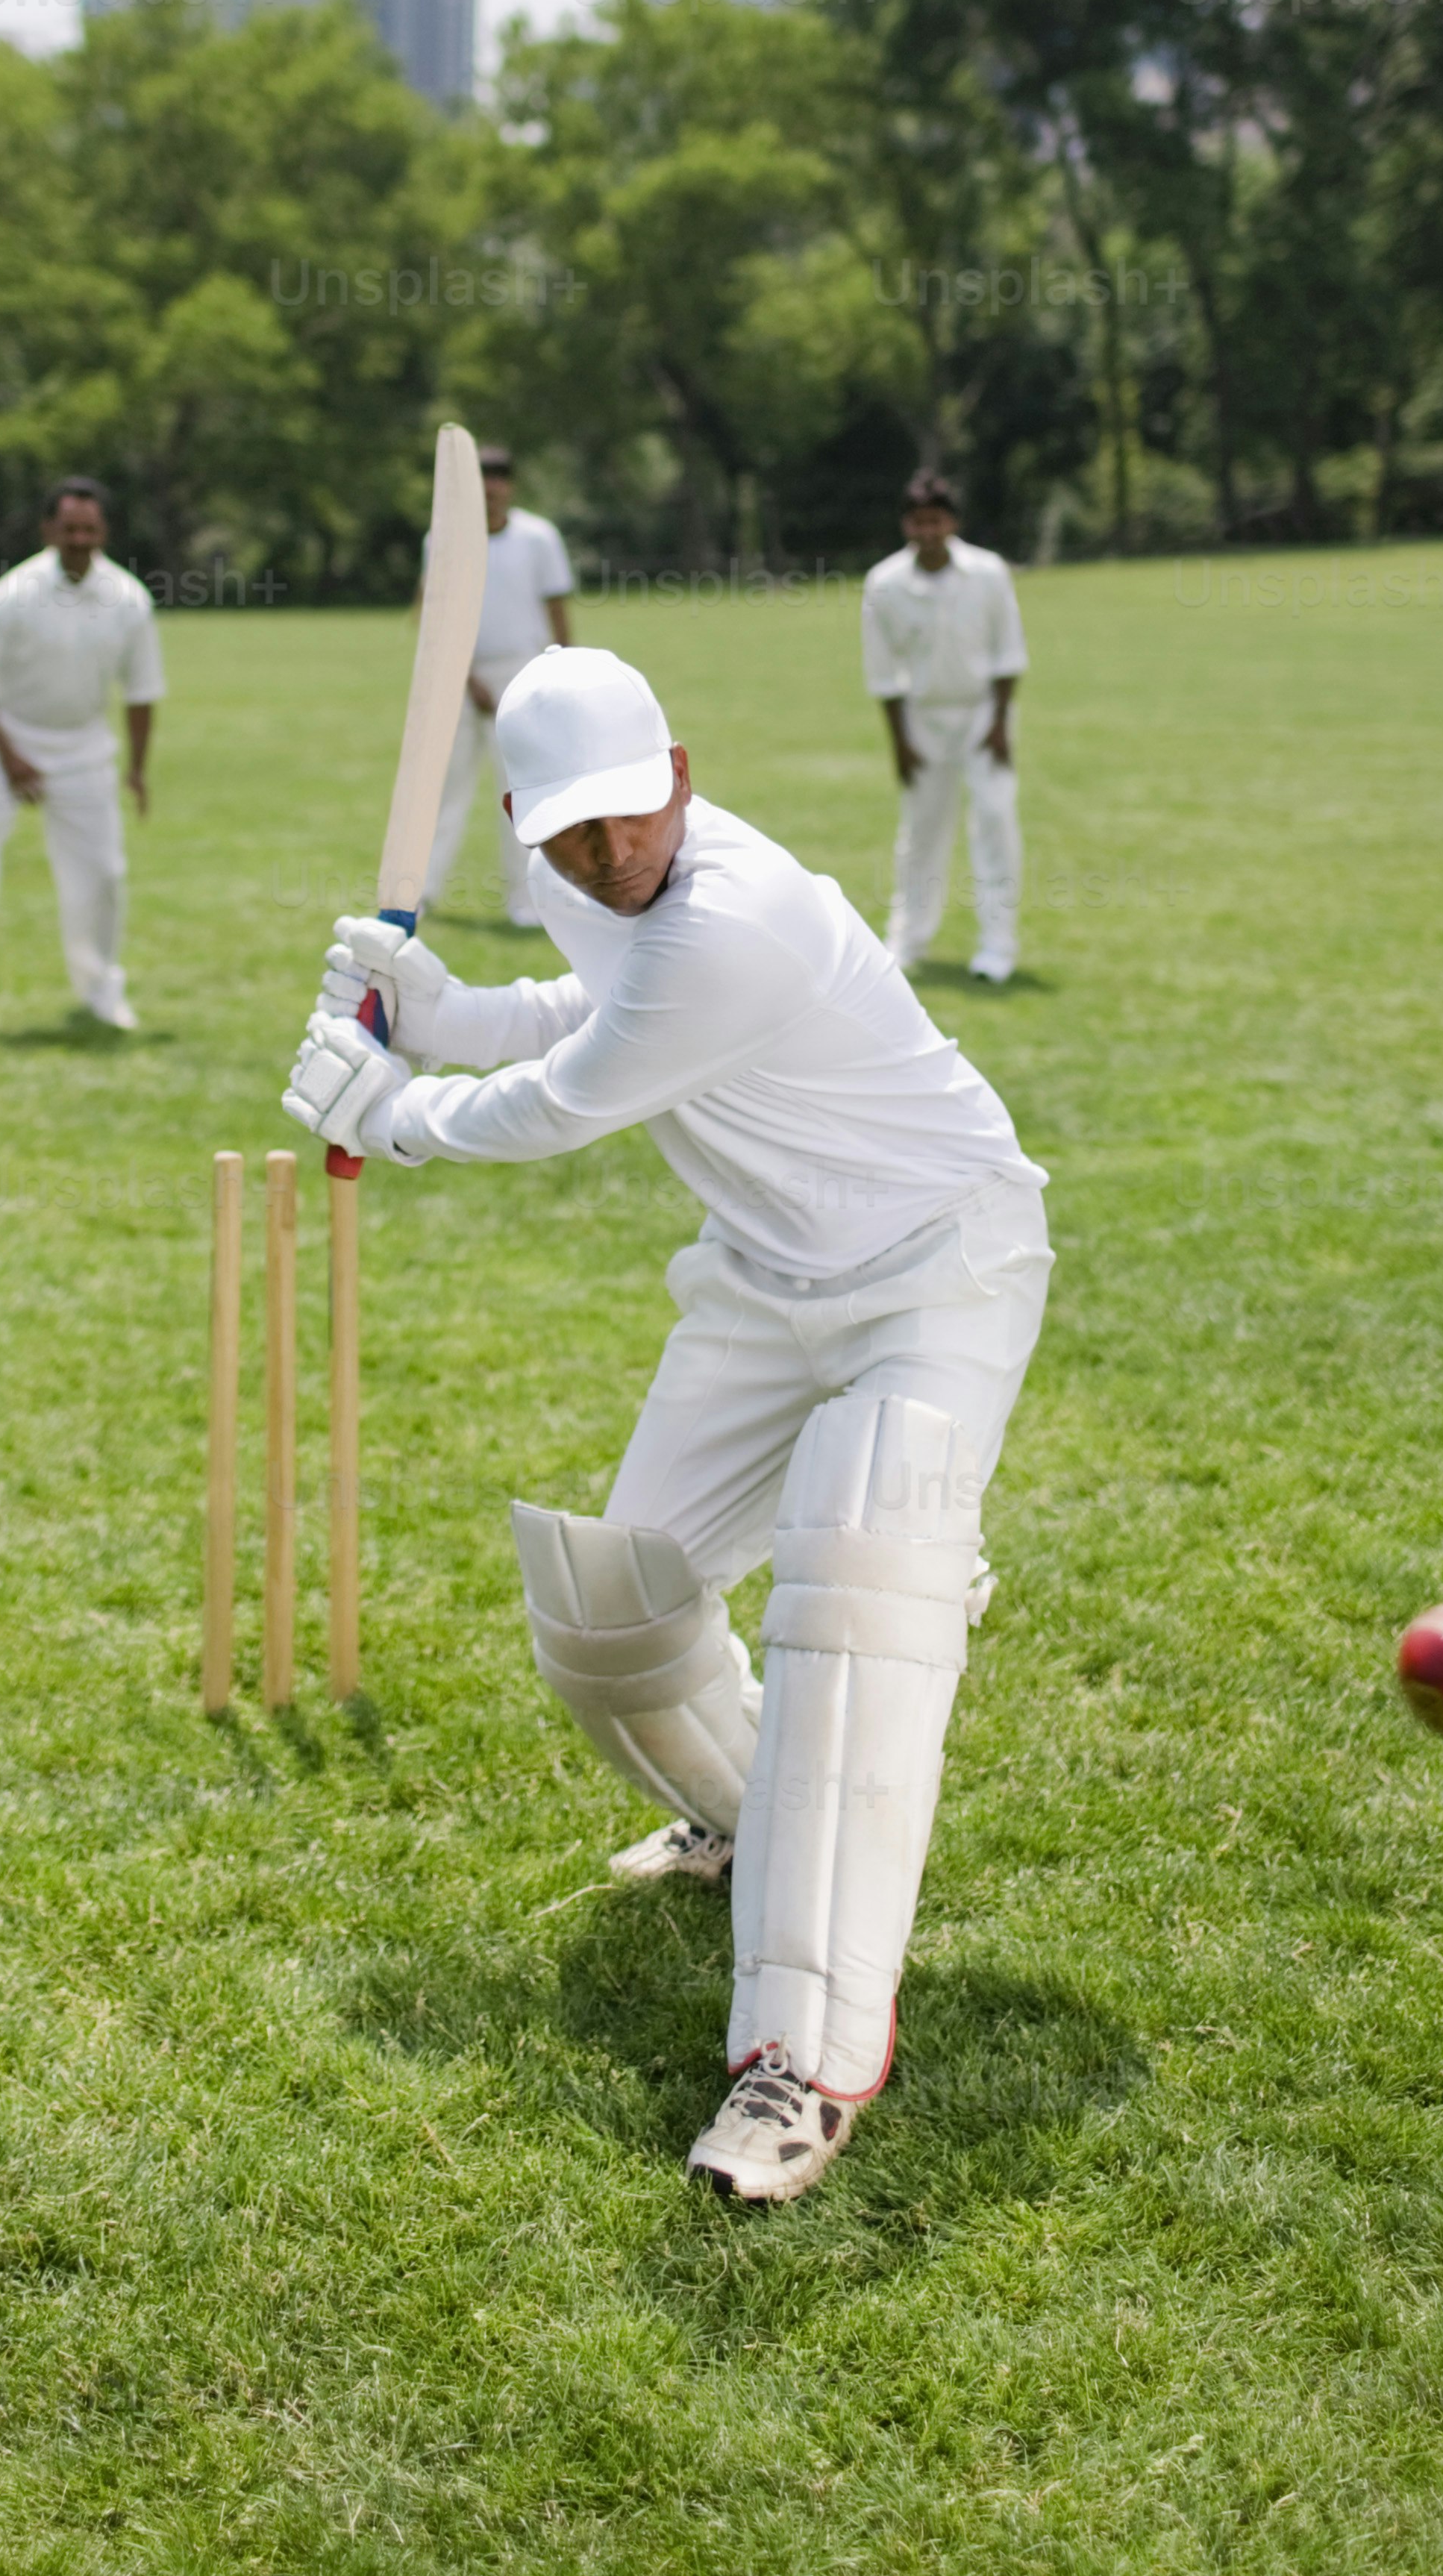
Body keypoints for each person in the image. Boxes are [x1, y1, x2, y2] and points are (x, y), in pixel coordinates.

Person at [283, 645, 1054, 2206]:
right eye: (571, 837)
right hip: (767, 1280)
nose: (607, 855)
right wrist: (447, 1011)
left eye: (632, 822)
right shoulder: (601, 887)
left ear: (681, 778)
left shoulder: (736, 913)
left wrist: (388, 1109)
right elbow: (591, 1005)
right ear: (524, 827)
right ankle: (746, 1821)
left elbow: (572, 1098)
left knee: (846, 1606)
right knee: (611, 1618)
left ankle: (797, 2063)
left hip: (933, 1270)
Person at [0, 478, 164, 1033]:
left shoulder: (129, 599)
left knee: (102, 875)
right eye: (69, 528)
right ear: (48, 530)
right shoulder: (13, 594)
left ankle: (101, 987)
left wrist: (135, 769)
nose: (79, 539)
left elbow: (141, 692)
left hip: (84, 749)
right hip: (3, 744)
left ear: (103, 531)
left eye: (90, 528)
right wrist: (10, 758)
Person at [860, 468, 1027, 985]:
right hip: (921, 718)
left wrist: (999, 725)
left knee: (995, 821)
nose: (928, 531)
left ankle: (997, 947)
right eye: (918, 521)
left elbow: (1008, 653)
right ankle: (907, 939)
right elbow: (883, 673)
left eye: (937, 520)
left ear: (952, 521)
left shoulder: (989, 572)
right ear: (907, 525)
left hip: (982, 712)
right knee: (921, 832)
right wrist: (900, 743)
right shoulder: (885, 584)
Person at [421, 442, 574, 926]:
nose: (491, 487)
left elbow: (556, 611)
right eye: (481, 476)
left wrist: (561, 673)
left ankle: (526, 900)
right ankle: (419, 893)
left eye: (499, 476)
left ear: (510, 484)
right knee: (443, 790)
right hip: (459, 673)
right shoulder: (443, 539)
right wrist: (466, 679)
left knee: (523, 794)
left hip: (524, 671)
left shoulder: (538, 538)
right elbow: (438, 619)